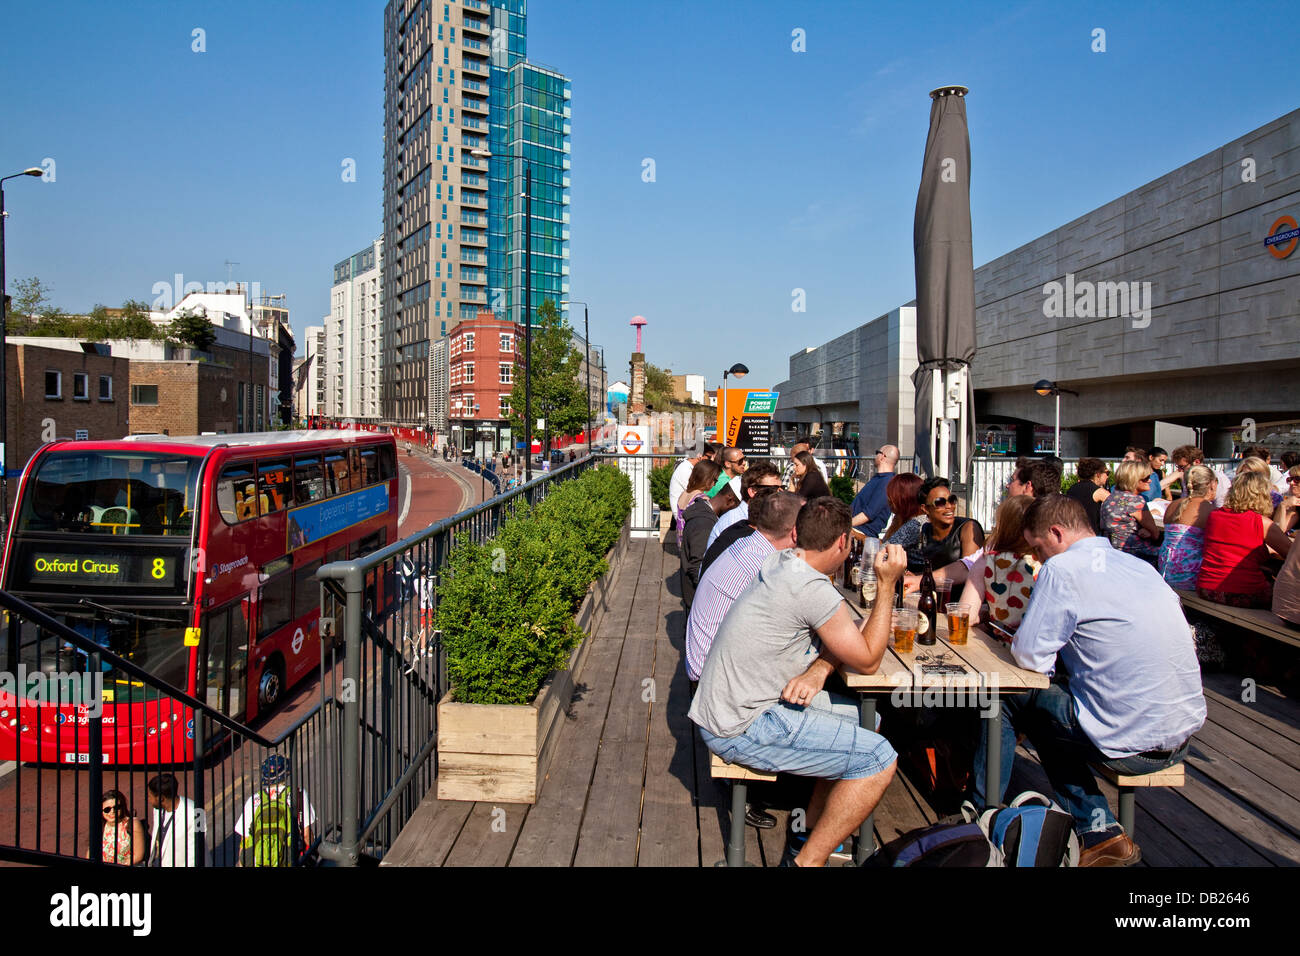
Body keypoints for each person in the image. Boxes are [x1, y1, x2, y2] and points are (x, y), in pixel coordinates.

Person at [974, 494, 1206, 866]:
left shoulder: (1063, 569)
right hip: (1180, 737)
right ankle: (1097, 831)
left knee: (1008, 696)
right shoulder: (1136, 565)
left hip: (1129, 742)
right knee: (1049, 716)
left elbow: (1031, 657)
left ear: (1056, 533)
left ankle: (983, 811)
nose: (1036, 558)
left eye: (1038, 548)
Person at [688, 498, 904, 867]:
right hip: (740, 724)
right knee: (879, 758)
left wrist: (819, 669)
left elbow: (840, 637)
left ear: (796, 534)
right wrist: (886, 586)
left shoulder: (783, 562)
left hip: (725, 704)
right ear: (841, 543)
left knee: (871, 722)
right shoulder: (809, 588)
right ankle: (807, 862)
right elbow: (867, 660)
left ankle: (806, 834)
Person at [686, 491, 804, 681]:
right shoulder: (764, 567)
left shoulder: (746, 544)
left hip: (709, 665)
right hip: (717, 682)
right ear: (796, 532)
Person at [1197, 471, 1292, 608]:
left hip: (1206, 588)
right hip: (1243, 593)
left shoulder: (1214, 516)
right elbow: (1291, 553)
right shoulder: (1262, 523)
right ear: (1262, 495)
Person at [956, 495, 1040, 631]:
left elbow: (966, 616)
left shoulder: (987, 561)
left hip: (1000, 644)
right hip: (1038, 646)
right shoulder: (1046, 562)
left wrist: (986, 614)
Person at [235, 755, 317, 866]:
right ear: (286, 773)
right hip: (289, 860)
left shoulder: (253, 801)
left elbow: (245, 842)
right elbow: (306, 834)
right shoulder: (298, 795)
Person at [679, 474, 741, 610]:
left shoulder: (704, 514)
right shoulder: (704, 523)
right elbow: (697, 566)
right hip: (698, 601)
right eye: (736, 507)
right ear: (730, 500)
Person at [1158, 465, 1217, 590]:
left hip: (1166, 570)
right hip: (1189, 576)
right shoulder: (1209, 510)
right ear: (1212, 484)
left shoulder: (1173, 505)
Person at [913, 476, 984, 572]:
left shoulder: (968, 527)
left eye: (952, 500)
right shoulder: (925, 530)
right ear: (925, 509)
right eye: (940, 502)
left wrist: (921, 578)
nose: (949, 506)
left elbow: (970, 569)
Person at [709, 460, 782, 549]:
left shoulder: (760, 517)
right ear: (752, 491)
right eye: (773, 488)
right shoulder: (734, 520)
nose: (780, 492)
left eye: (781, 488)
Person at [1099, 459, 1161, 563]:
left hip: (1111, 552)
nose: (1150, 480)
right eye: (1146, 478)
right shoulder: (1136, 501)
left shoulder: (1110, 497)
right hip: (1134, 554)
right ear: (1134, 479)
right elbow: (1156, 534)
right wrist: (1149, 532)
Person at [147, 773, 208, 867]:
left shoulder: (196, 813)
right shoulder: (158, 809)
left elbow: (195, 853)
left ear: (160, 798)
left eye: (149, 796)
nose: (148, 799)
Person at [670, 443, 719, 532]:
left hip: (688, 515)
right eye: (708, 457)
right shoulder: (686, 470)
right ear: (699, 455)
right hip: (685, 519)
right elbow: (697, 495)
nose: (711, 460)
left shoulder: (688, 467)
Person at [850, 445, 898, 536]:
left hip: (862, 533)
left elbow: (869, 514)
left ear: (882, 456)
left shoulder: (887, 483)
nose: (875, 456)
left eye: (877, 452)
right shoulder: (879, 478)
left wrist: (844, 525)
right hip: (855, 528)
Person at [675, 459, 722, 549]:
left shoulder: (685, 493)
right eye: (715, 480)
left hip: (682, 542)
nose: (715, 485)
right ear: (707, 478)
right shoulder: (702, 499)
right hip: (694, 542)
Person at [98, 789, 147, 865]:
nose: (112, 812)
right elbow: (90, 852)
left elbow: (138, 855)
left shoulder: (132, 824)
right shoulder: (101, 826)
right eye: (107, 809)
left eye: (116, 807)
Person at [881, 472, 925, 550]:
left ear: (904, 498)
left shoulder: (917, 523)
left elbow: (885, 551)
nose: (888, 500)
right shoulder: (899, 518)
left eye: (892, 496)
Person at [1065, 458, 1109, 534]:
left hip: (1072, 531)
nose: (1107, 477)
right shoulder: (1098, 491)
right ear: (1098, 474)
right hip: (1090, 533)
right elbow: (1116, 505)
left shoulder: (1072, 489)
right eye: (1107, 473)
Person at [1275, 464, 1300, 536]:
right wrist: (1282, 506)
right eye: (1290, 479)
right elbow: (1279, 531)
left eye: (1297, 479)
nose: (1291, 483)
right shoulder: (1295, 502)